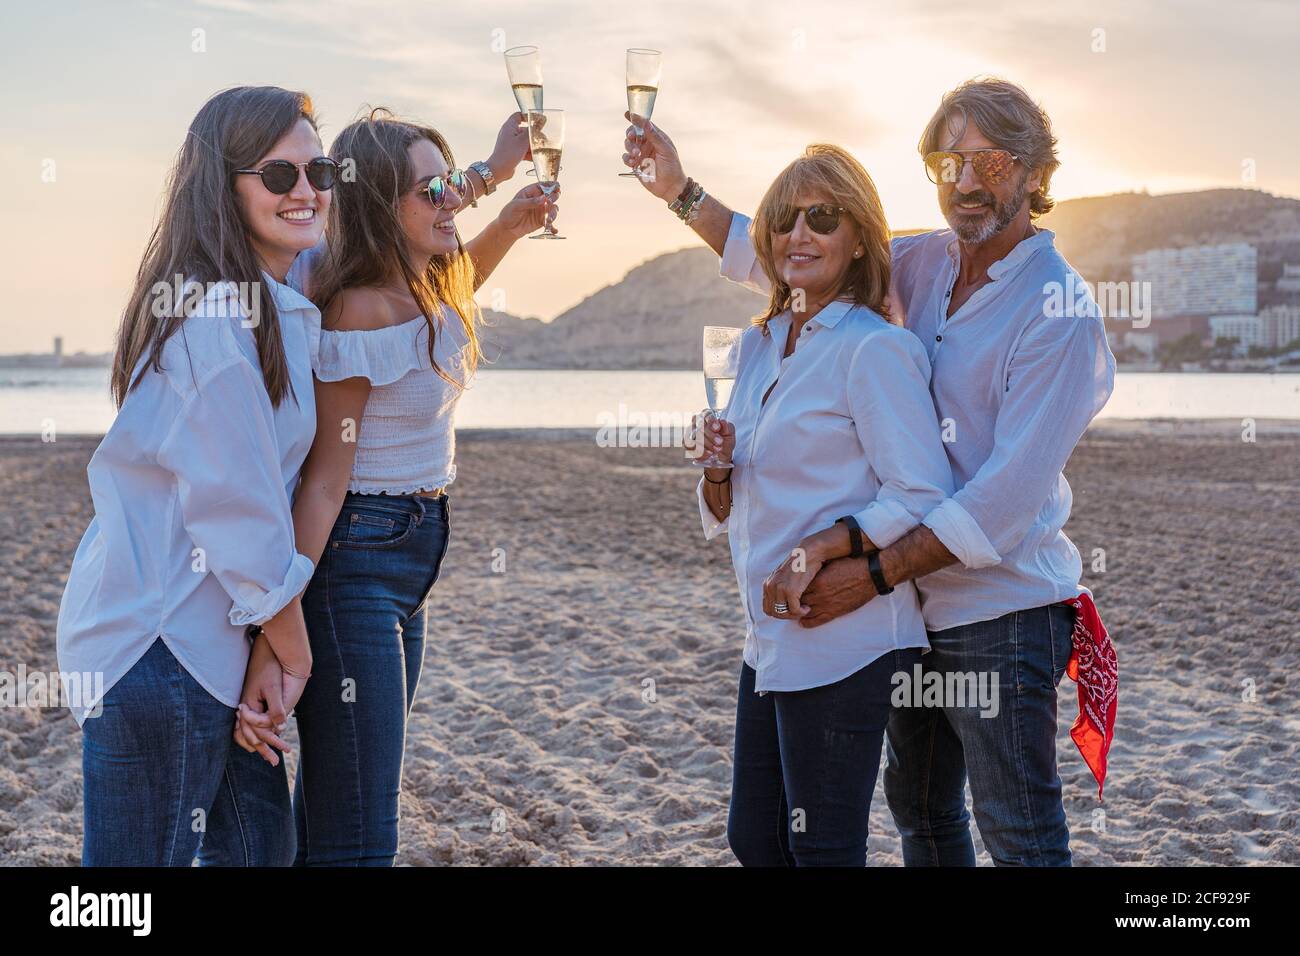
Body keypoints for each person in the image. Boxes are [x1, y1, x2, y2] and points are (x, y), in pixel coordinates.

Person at [626, 76, 1116, 866]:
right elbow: (790, 257)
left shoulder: (1060, 311)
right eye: (945, 161)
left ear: (1033, 172)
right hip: (912, 612)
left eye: (986, 163)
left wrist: (869, 571)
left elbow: (1000, 505)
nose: (963, 182)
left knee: (1017, 831)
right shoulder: (920, 266)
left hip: (1002, 608)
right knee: (922, 816)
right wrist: (678, 192)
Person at [241, 108, 554, 865]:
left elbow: (447, 299)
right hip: (356, 564)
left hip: (411, 565)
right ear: (381, 204)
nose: (451, 200)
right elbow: (324, 482)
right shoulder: (356, 309)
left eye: (450, 185)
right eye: (431, 191)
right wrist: (274, 630)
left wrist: (503, 207)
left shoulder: (424, 286)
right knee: (361, 835)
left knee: (342, 808)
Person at [57, 86, 330, 866]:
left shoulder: (264, 310)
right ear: (224, 186)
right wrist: (294, 658)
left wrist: (261, 661)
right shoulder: (214, 325)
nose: (306, 190)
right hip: (159, 651)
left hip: (217, 649)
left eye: (321, 171)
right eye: (280, 175)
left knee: (258, 857)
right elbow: (238, 517)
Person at [686, 143, 953, 866]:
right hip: (769, 634)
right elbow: (734, 502)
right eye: (784, 219)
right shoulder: (760, 345)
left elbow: (922, 492)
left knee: (821, 847)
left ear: (859, 236)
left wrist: (821, 548)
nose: (798, 234)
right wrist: (716, 471)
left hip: (845, 635)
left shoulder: (874, 350)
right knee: (756, 838)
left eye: (823, 217)